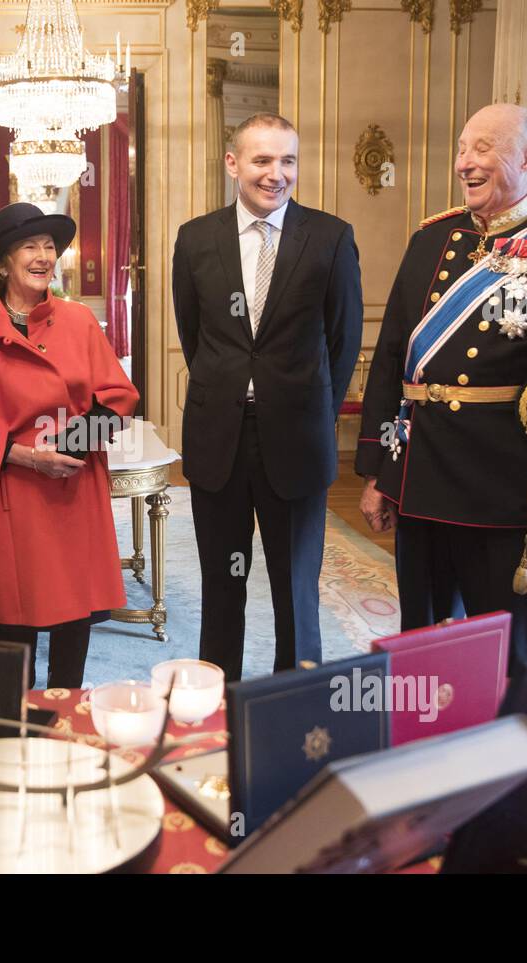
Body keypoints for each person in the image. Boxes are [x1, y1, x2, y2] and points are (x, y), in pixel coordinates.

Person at [356, 103, 527, 670]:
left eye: (483, 148)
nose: (465, 163)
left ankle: (510, 755)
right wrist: (382, 474)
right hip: (423, 478)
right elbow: (392, 364)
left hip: (511, 494)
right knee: (423, 646)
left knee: (508, 653)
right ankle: (427, 746)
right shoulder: (432, 240)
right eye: (462, 149)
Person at [172, 112, 363, 682]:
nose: (275, 174)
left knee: (296, 588)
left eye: (287, 161)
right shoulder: (195, 238)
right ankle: (218, 701)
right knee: (222, 584)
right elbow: (194, 334)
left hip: (297, 440)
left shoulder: (330, 237)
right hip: (218, 439)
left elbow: (342, 340)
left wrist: (311, 413)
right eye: (262, 160)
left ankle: (297, 708)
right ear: (233, 164)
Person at [0, 203, 139, 689]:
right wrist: (29, 458)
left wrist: (72, 448)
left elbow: (118, 395)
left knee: (76, 610)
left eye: (50, 247)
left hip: (75, 484)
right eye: (30, 247)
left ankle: (67, 704)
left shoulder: (80, 321)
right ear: (2, 263)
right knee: (17, 614)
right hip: (12, 490)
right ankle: (16, 717)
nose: (44, 256)